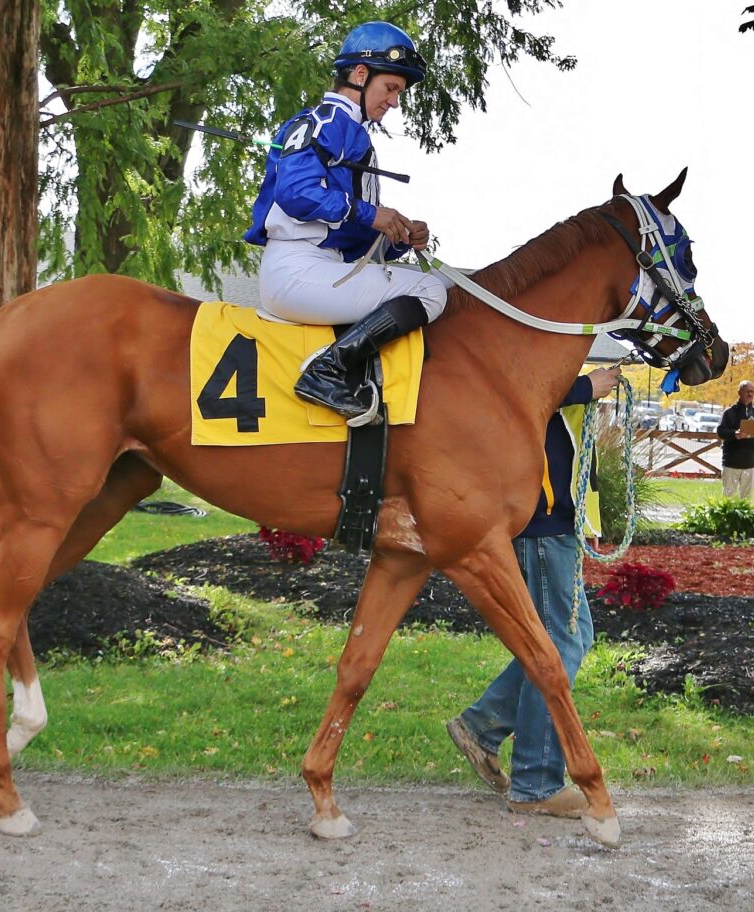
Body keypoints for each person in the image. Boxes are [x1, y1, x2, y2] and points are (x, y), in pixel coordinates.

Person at [243, 21, 451, 424]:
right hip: (296, 270)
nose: (394, 102)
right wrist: (373, 213)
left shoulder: (355, 136)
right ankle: (326, 371)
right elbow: (295, 193)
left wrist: (399, 237)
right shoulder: (322, 122)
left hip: (326, 266)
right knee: (429, 289)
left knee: (441, 285)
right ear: (360, 75)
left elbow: (354, 239)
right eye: (391, 88)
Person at [446, 366, 620, 818]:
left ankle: (481, 727)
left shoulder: (562, 364)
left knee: (574, 636)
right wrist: (585, 387)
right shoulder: (543, 365)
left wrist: (588, 517)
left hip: (560, 520)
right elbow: (519, 390)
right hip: (541, 522)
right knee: (557, 643)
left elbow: (576, 450)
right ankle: (535, 782)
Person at [716, 380, 754, 500]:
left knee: (747, 499)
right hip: (731, 463)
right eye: (747, 391)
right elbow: (720, 432)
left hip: (750, 463)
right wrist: (734, 434)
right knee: (728, 499)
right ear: (739, 393)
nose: (750, 394)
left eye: (752, 392)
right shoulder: (729, 413)